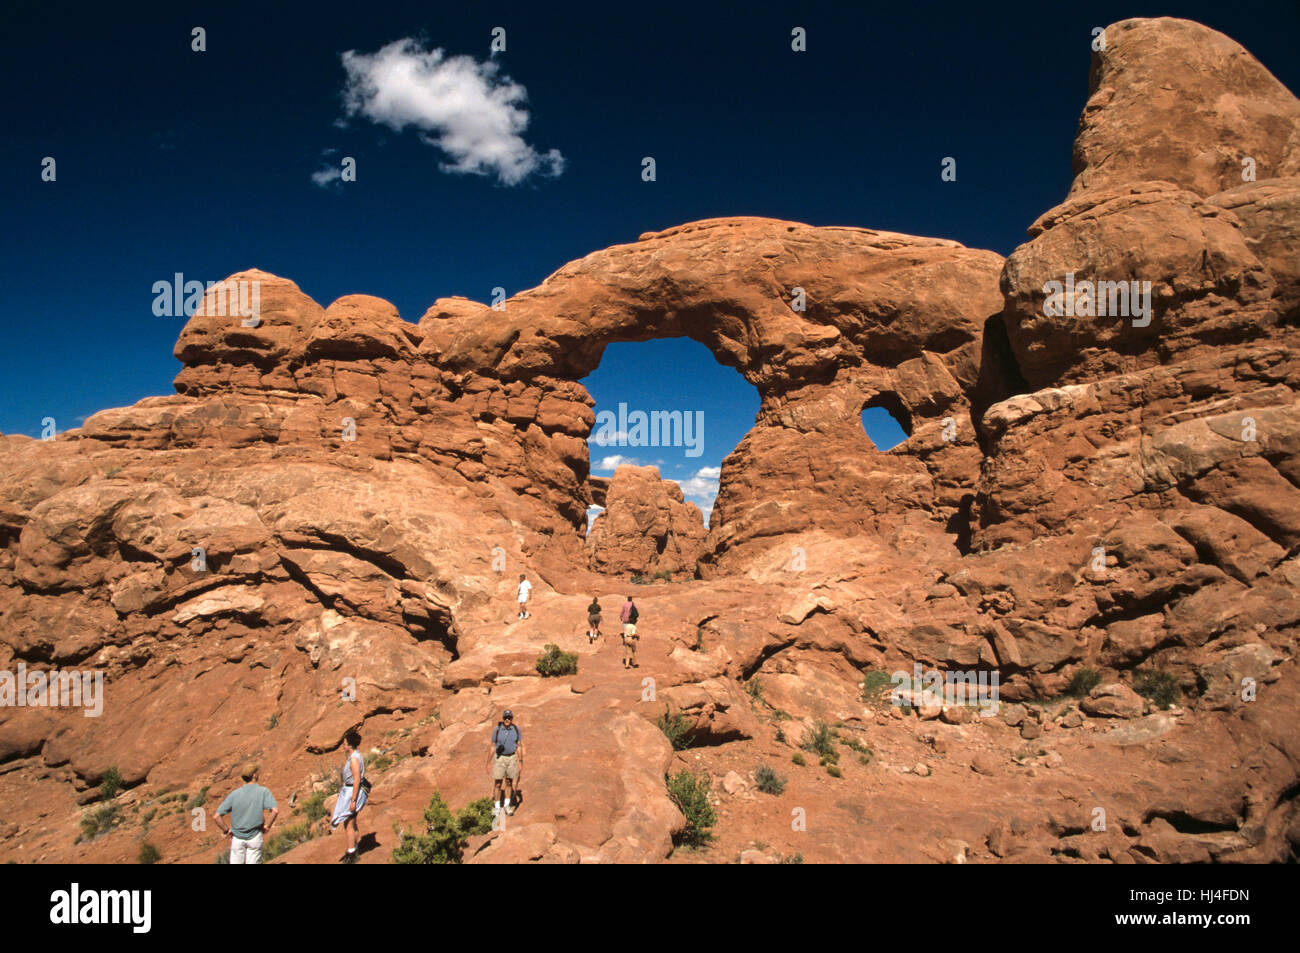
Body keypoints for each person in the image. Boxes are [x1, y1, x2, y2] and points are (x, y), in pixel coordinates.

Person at [213, 763, 278, 864]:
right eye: (257, 772)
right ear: (254, 775)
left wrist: (227, 831)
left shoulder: (234, 794)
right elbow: (275, 811)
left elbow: (217, 816)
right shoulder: (263, 792)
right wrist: (267, 826)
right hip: (255, 836)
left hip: (237, 838)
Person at [330, 729, 368, 864]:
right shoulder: (356, 755)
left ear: (350, 745)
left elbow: (357, 779)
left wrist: (353, 800)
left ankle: (351, 853)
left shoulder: (354, 760)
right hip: (351, 792)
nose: (343, 745)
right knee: (352, 822)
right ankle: (355, 849)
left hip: (352, 793)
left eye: (345, 743)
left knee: (348, 824)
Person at [489, 709, 523, 817]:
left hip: (511, 757)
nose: (507, 720)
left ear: (512, 719)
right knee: (498, 783)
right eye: (505, 718)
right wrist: (488, 762)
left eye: (509, 718)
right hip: (500, 758)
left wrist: (520, 761)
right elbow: (492, 746)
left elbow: (519, 745)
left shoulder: (516, 730)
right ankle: (497, 807)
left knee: (509, 782)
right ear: (503, 719)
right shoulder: (497, 729)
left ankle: (507, 806)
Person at [620, 595, 640, 669]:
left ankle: (627, 665)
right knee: (634, 651)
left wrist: (621, 616)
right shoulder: (633, 604)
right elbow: (633, 633)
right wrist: (637, 636)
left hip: (626, 638)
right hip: (631, 639)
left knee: (627, 653)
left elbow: (622, 611)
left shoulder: (625, 604)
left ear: (627, 599)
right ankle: (634, 664)